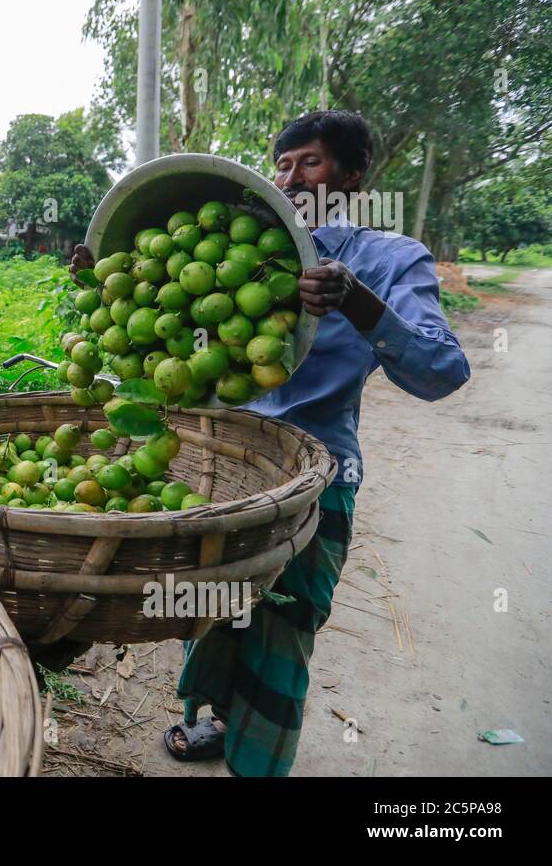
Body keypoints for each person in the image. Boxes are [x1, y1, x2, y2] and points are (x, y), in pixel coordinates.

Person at [69, 110, 471, 776]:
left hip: (318, 471)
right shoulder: (246, 240)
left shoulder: (391, 259)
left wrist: (357, 300)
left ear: (350, 174)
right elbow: (168, 335)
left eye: (309, 162)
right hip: (223, 461)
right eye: (281, 165)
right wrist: (102, 279)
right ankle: (215, 719)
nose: (289, 178)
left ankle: (262, 760)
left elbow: (442, 371)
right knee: (217, 602)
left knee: (286, 618)